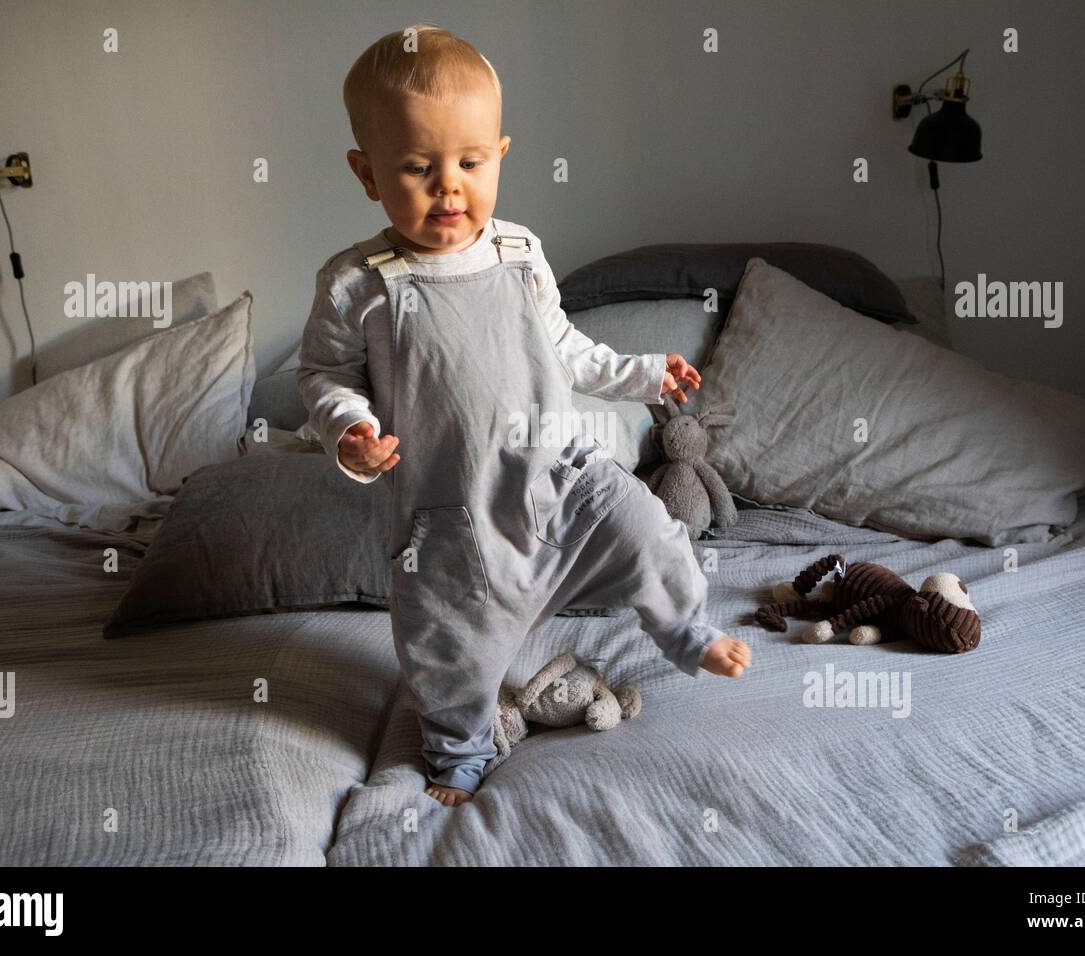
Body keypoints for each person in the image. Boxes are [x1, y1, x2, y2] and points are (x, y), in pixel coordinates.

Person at [298, 23, 750, 808]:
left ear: (499, 155)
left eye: (470, 163)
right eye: (417, 166)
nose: (449, 187)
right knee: (446, 648)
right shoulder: (359, 283)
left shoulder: (519, 252)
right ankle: (461, 752)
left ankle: (686, 632)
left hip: (560, 479)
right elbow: (324, 376)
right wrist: (349, 429)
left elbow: (568, 348)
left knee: (649, 527)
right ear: (366, 173)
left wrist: (645, 374)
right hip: (452, 513)